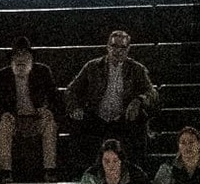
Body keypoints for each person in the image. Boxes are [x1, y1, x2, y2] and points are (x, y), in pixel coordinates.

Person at [65, 30, 160, 165]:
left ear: (128, 49)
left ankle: (136, 169)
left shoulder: (136, 69)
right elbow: (71, 90)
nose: (118, 51)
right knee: (77, 125)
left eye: (122, 47)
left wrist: (139, 100)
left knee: (139, 121)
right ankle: (81, 170)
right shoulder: (92, 67)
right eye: (114, 46)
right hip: (97, 116)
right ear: (108, 47)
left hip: (123, 119)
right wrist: (75, 108)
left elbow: (152, 93)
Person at [0, 38, 61, 180]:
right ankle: (6, 172)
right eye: (17, 56)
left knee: (49, 123)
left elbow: (55, 98)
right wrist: (4, 114)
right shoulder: (2, 76)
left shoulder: (42, 72)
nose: (21, 60)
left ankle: (50, 170)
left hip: (36, 118)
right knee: (4, 125)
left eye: (25, 55)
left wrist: (48, 110)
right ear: (12, 59)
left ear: (31, 58)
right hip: (14, 119)